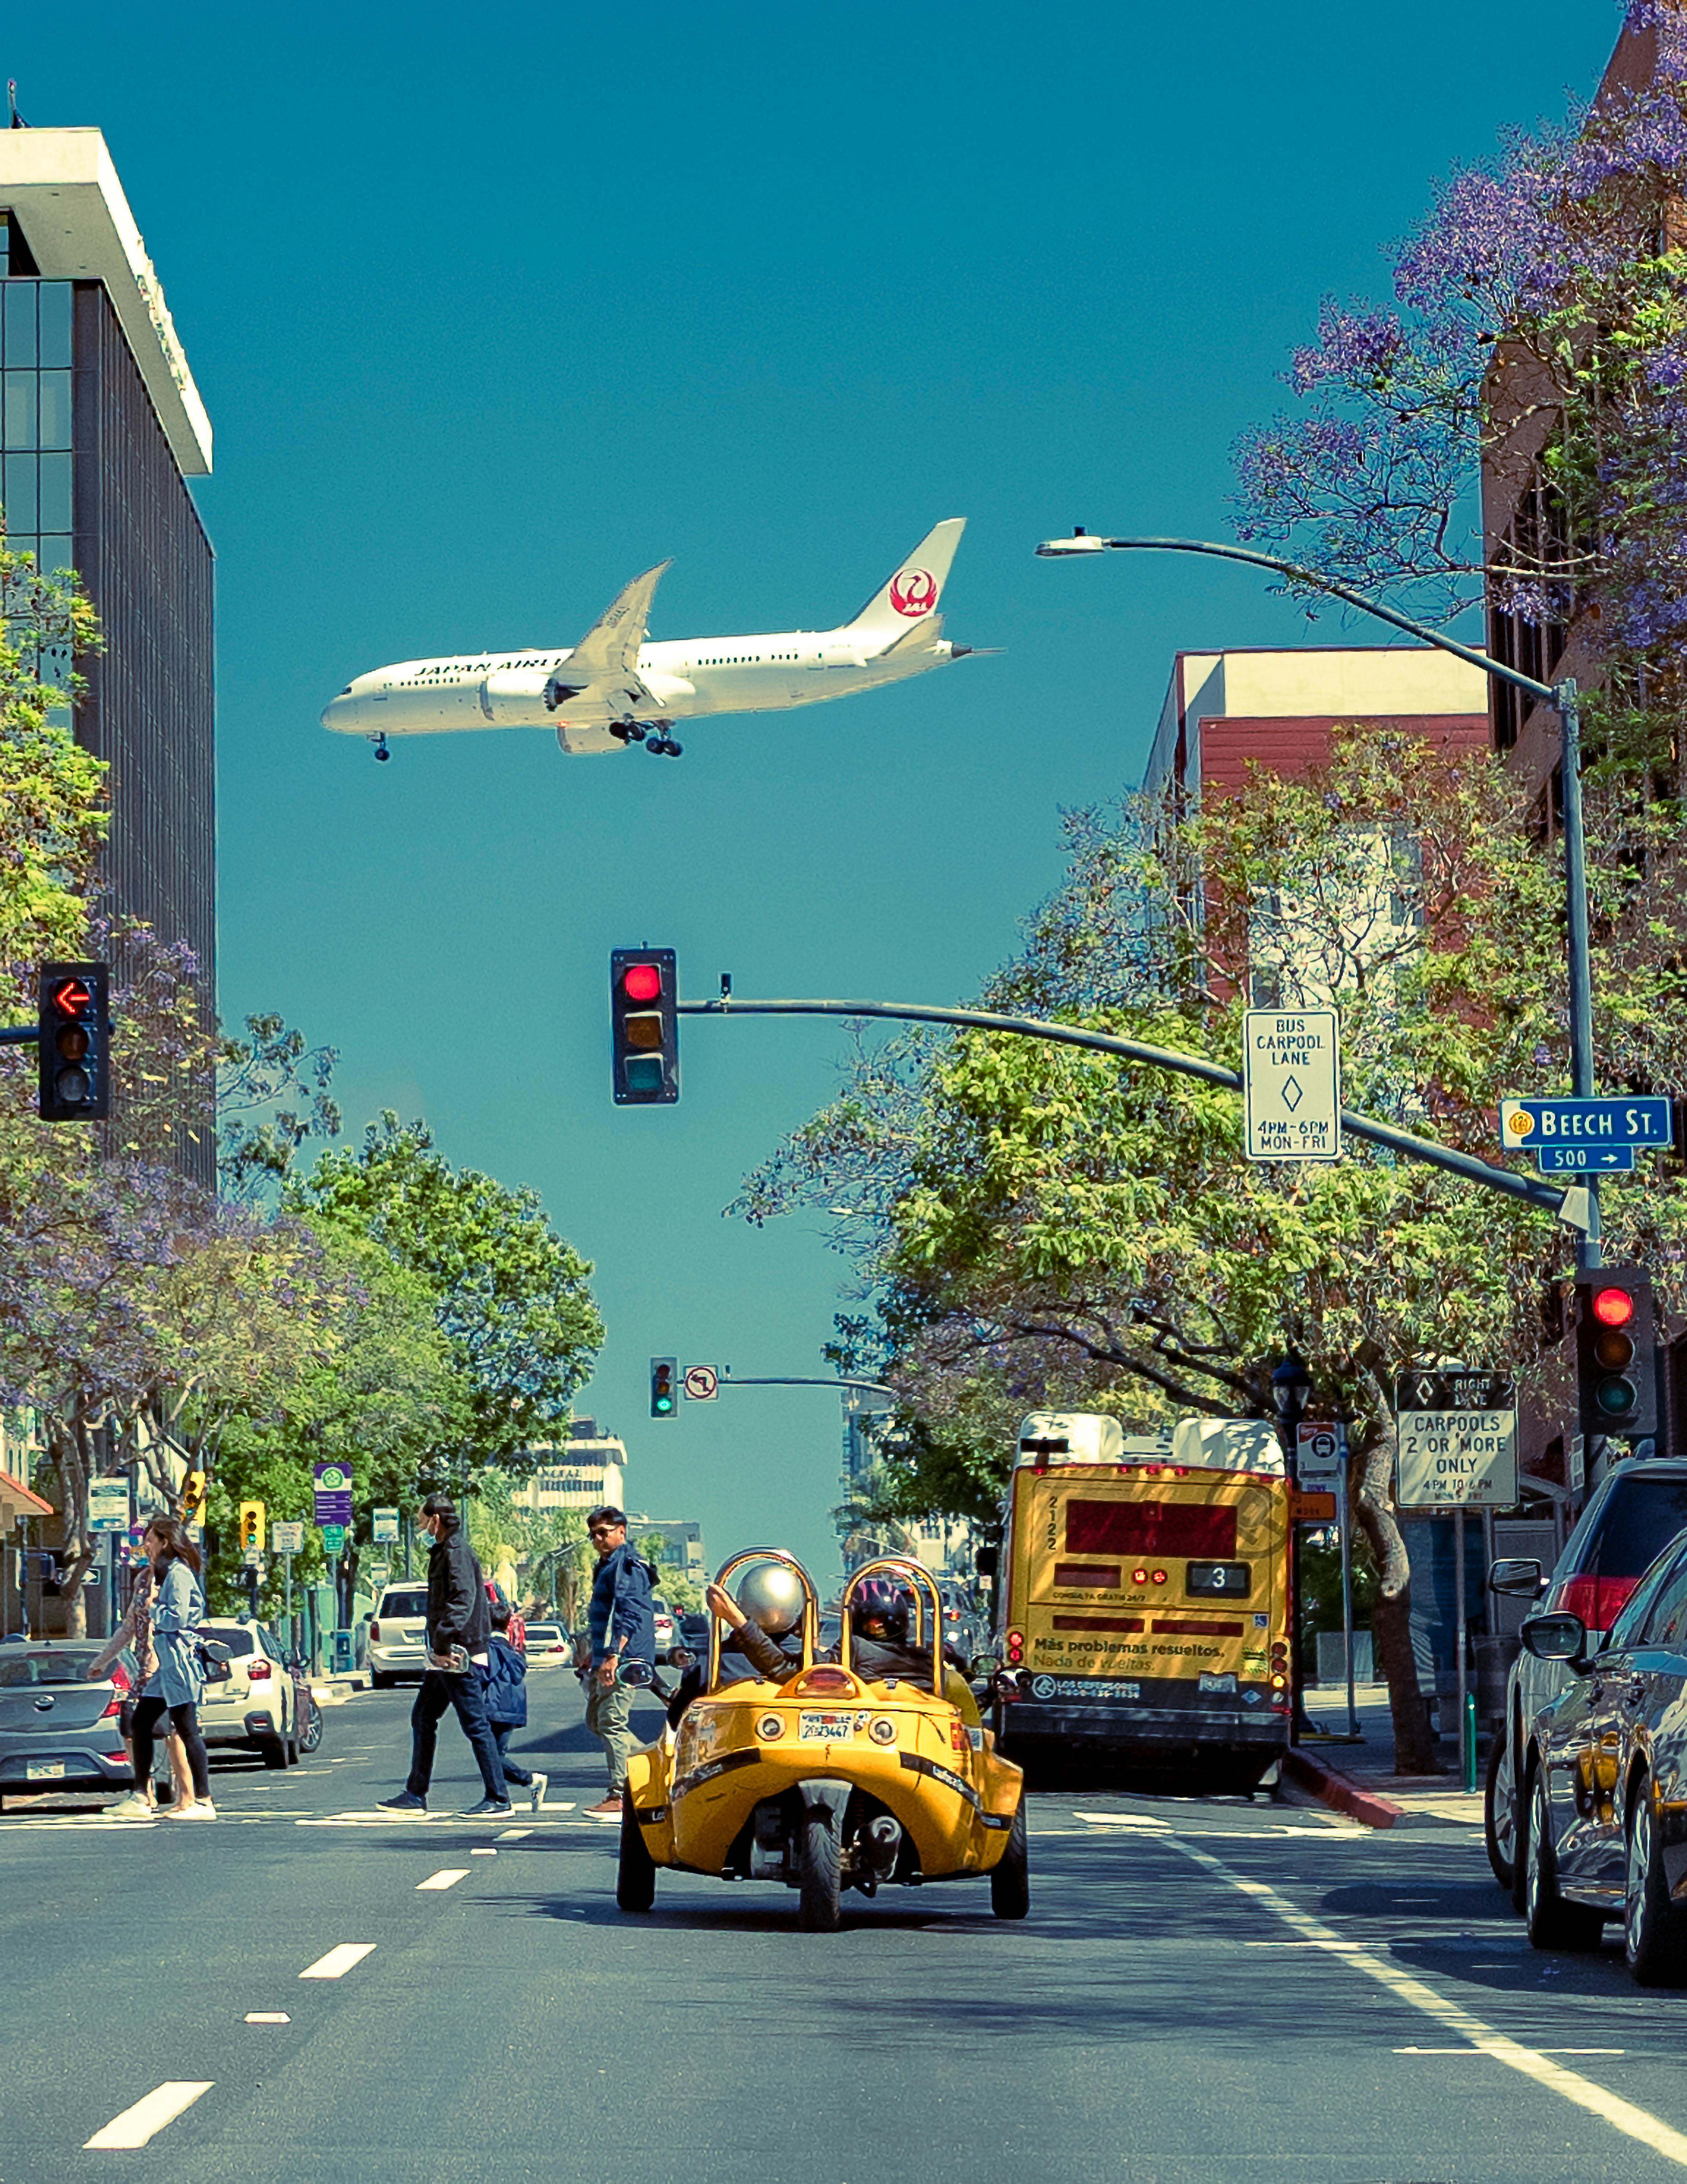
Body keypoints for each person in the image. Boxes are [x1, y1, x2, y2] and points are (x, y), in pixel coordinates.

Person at [378, 1493, 510, 1817]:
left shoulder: (456, 1552)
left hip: (457, 1654)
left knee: (476, 1726)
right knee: (424, 1717)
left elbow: (462, 1600)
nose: (420, 1528)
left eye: (422, 1522)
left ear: (436, 1520)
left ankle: (499, 1797)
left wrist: (443, 1643)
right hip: (446, 1653)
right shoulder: (443, 1552)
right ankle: (415, 1795)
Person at [89, 1518, 216, 1820]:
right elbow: (131, 1626)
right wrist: (101, 1661)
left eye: (150, 1540)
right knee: (141, 1723)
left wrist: (155, 1606)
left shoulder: (179, 1575)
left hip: (179, 1662)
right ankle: (139, 1797)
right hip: (165, 1667)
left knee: (186, 1731)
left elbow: (179, 1618)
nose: (146, 1544)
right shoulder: (157, 1575)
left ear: (165, 1542)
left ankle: (203, 1801)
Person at [575, 1505, 653, 1818]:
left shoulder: (627, 1565)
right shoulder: (608, 1565)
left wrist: (613, 1656)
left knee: (612, 1722)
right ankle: (653, 1761)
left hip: (623, 1658)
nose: (597, 1539)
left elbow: (629, 1613)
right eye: (593, 1535)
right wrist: (592, 1655)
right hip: (607, 1656)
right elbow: (603, 1616)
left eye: (604, 1533)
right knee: (597, 1721)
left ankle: (620, 1793)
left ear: (622, 1531)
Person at [481, 1601, 547, 1814]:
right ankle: (497, 1795)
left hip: (495, 1707)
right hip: (513, 1709)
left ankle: (528, 1781)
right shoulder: (513, 1652)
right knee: (495, 1754)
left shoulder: (490, 1650)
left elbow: (485, 1675)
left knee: (490, 1755)